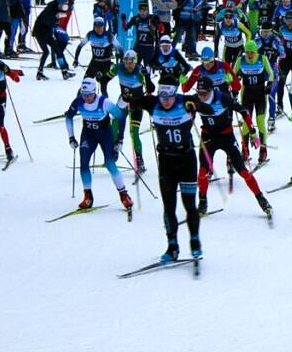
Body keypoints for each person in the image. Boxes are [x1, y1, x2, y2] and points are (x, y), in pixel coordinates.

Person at [126, 83, 204, 264]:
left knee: (189, 205)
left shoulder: (184, 101)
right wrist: (127, 98)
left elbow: (204, 103)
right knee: (169, 206)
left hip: (187, 160)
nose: (165, 102)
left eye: (168, 98)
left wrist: (197, 105)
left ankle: (194, 242)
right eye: (162, 98)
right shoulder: (153, 103)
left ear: (174, 95)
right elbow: (133, 102)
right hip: (166, 162)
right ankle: (172, 247)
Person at [189, 75, 272, 218]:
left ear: (211, 90)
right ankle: (203, 202)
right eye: (199, 93)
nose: (201, 96)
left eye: (204, 94)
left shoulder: (222, 98)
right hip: (208, 137)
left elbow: (243, 111)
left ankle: (261, 199)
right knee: (202, 172)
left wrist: (252, 132)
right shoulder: (194, 99)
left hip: (226, 136)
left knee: (244, 172)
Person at [64, 77, 133, 211]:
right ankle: (88, 196)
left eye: (89, 95)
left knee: (110, 163)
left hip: (105, 133)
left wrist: (120, 139)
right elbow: (68, 117)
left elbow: (120, 116)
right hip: (88, 134)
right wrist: (71, 137)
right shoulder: (78, 101)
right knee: (83, 163)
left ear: (95, 91)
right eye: (84, 95)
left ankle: (124, 194)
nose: (86, 98)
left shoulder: (104, 102)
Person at [73, 17, 122, 95]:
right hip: (94, 62)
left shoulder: (109, 35)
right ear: (94, 26)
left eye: (101, 26)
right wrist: (76, 59)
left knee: (103, 85)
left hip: (105, 64)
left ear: (104, 26)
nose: (99, 29)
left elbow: (120, 48)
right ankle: (79, 102)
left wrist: (122, 61)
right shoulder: (90, 34)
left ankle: (105, 103)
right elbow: (80, 46)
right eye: (96, 26)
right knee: (85, 83)